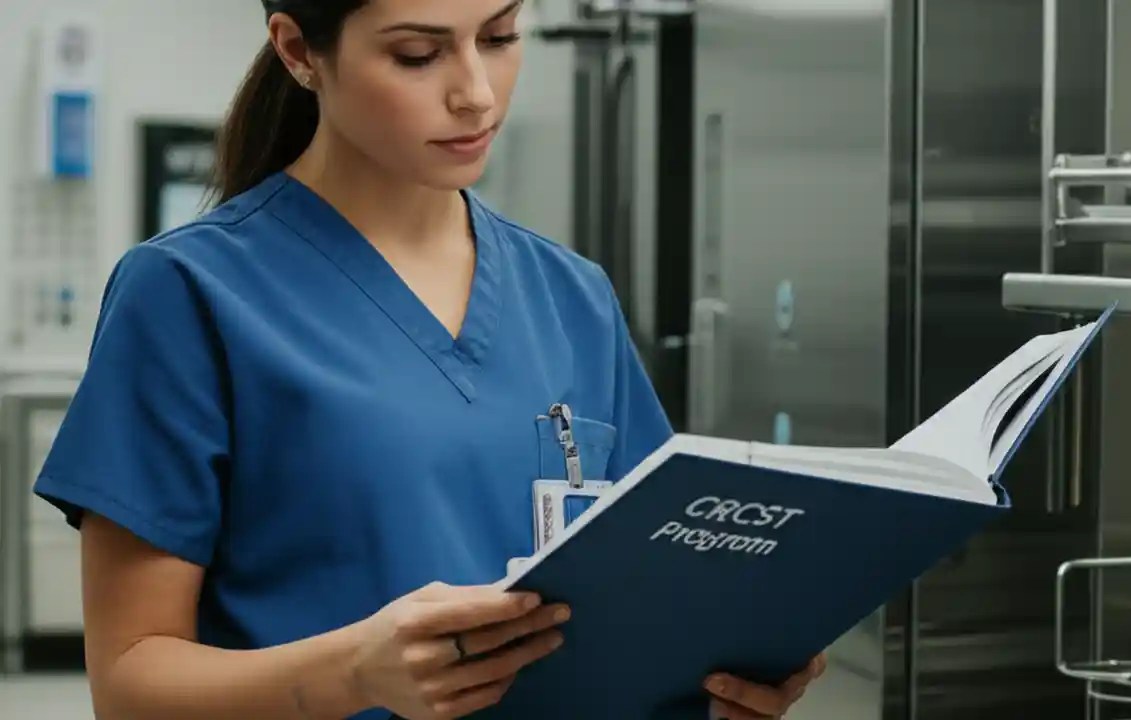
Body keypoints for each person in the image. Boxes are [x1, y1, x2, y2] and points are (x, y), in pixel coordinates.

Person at [32, 0, 828, 718]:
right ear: (298, 50)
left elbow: (654, 594)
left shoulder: (572, 294)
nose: (477, 92)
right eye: (418, 54)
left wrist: (725, 678)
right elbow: (132, 683)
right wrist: (352, 674)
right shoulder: (189, 293)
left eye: (500, 36)